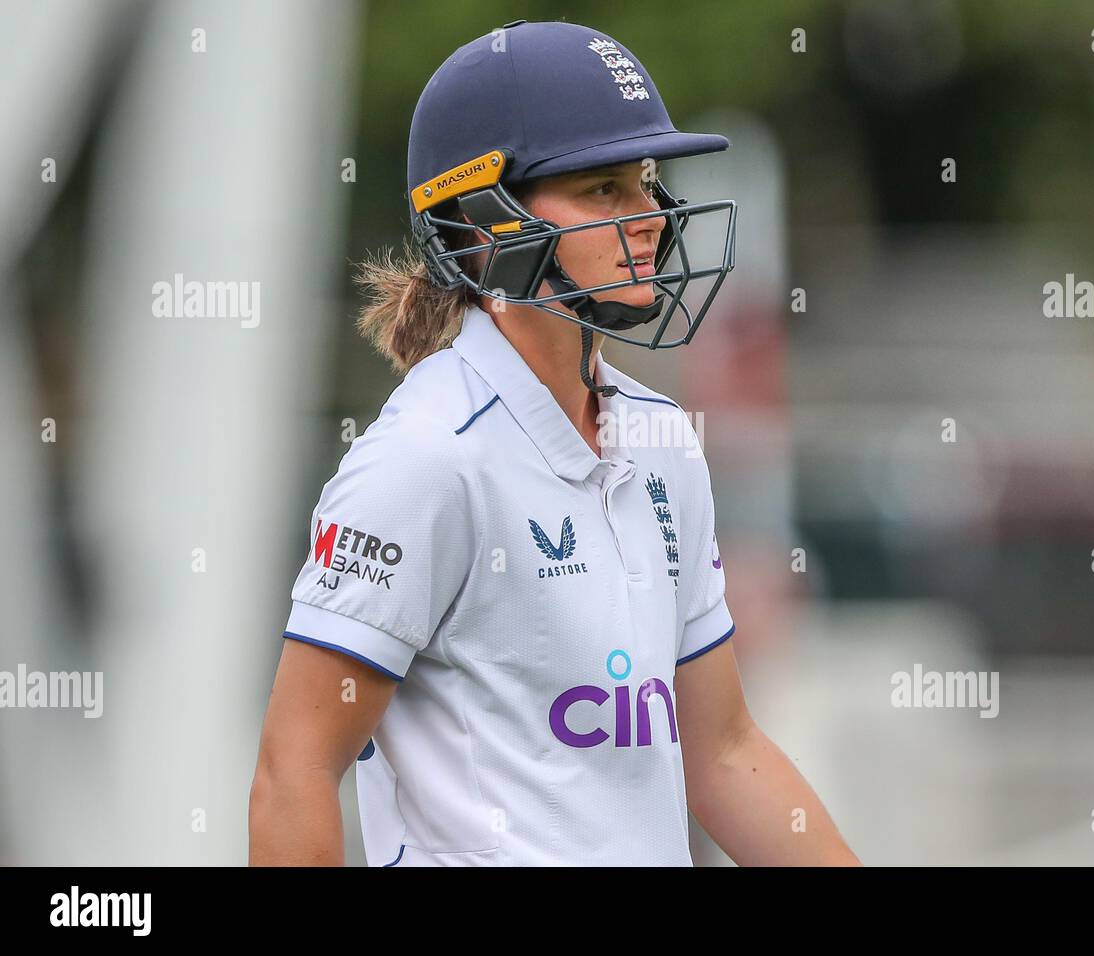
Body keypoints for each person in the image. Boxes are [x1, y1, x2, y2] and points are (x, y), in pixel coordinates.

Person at [248, 19, 858, 866]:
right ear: (487, 221)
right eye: (603, 190)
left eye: (645, 183)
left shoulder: (663, 441)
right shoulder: (425, 460)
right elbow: (294, 772)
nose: (647, 218)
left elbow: (723, 753)